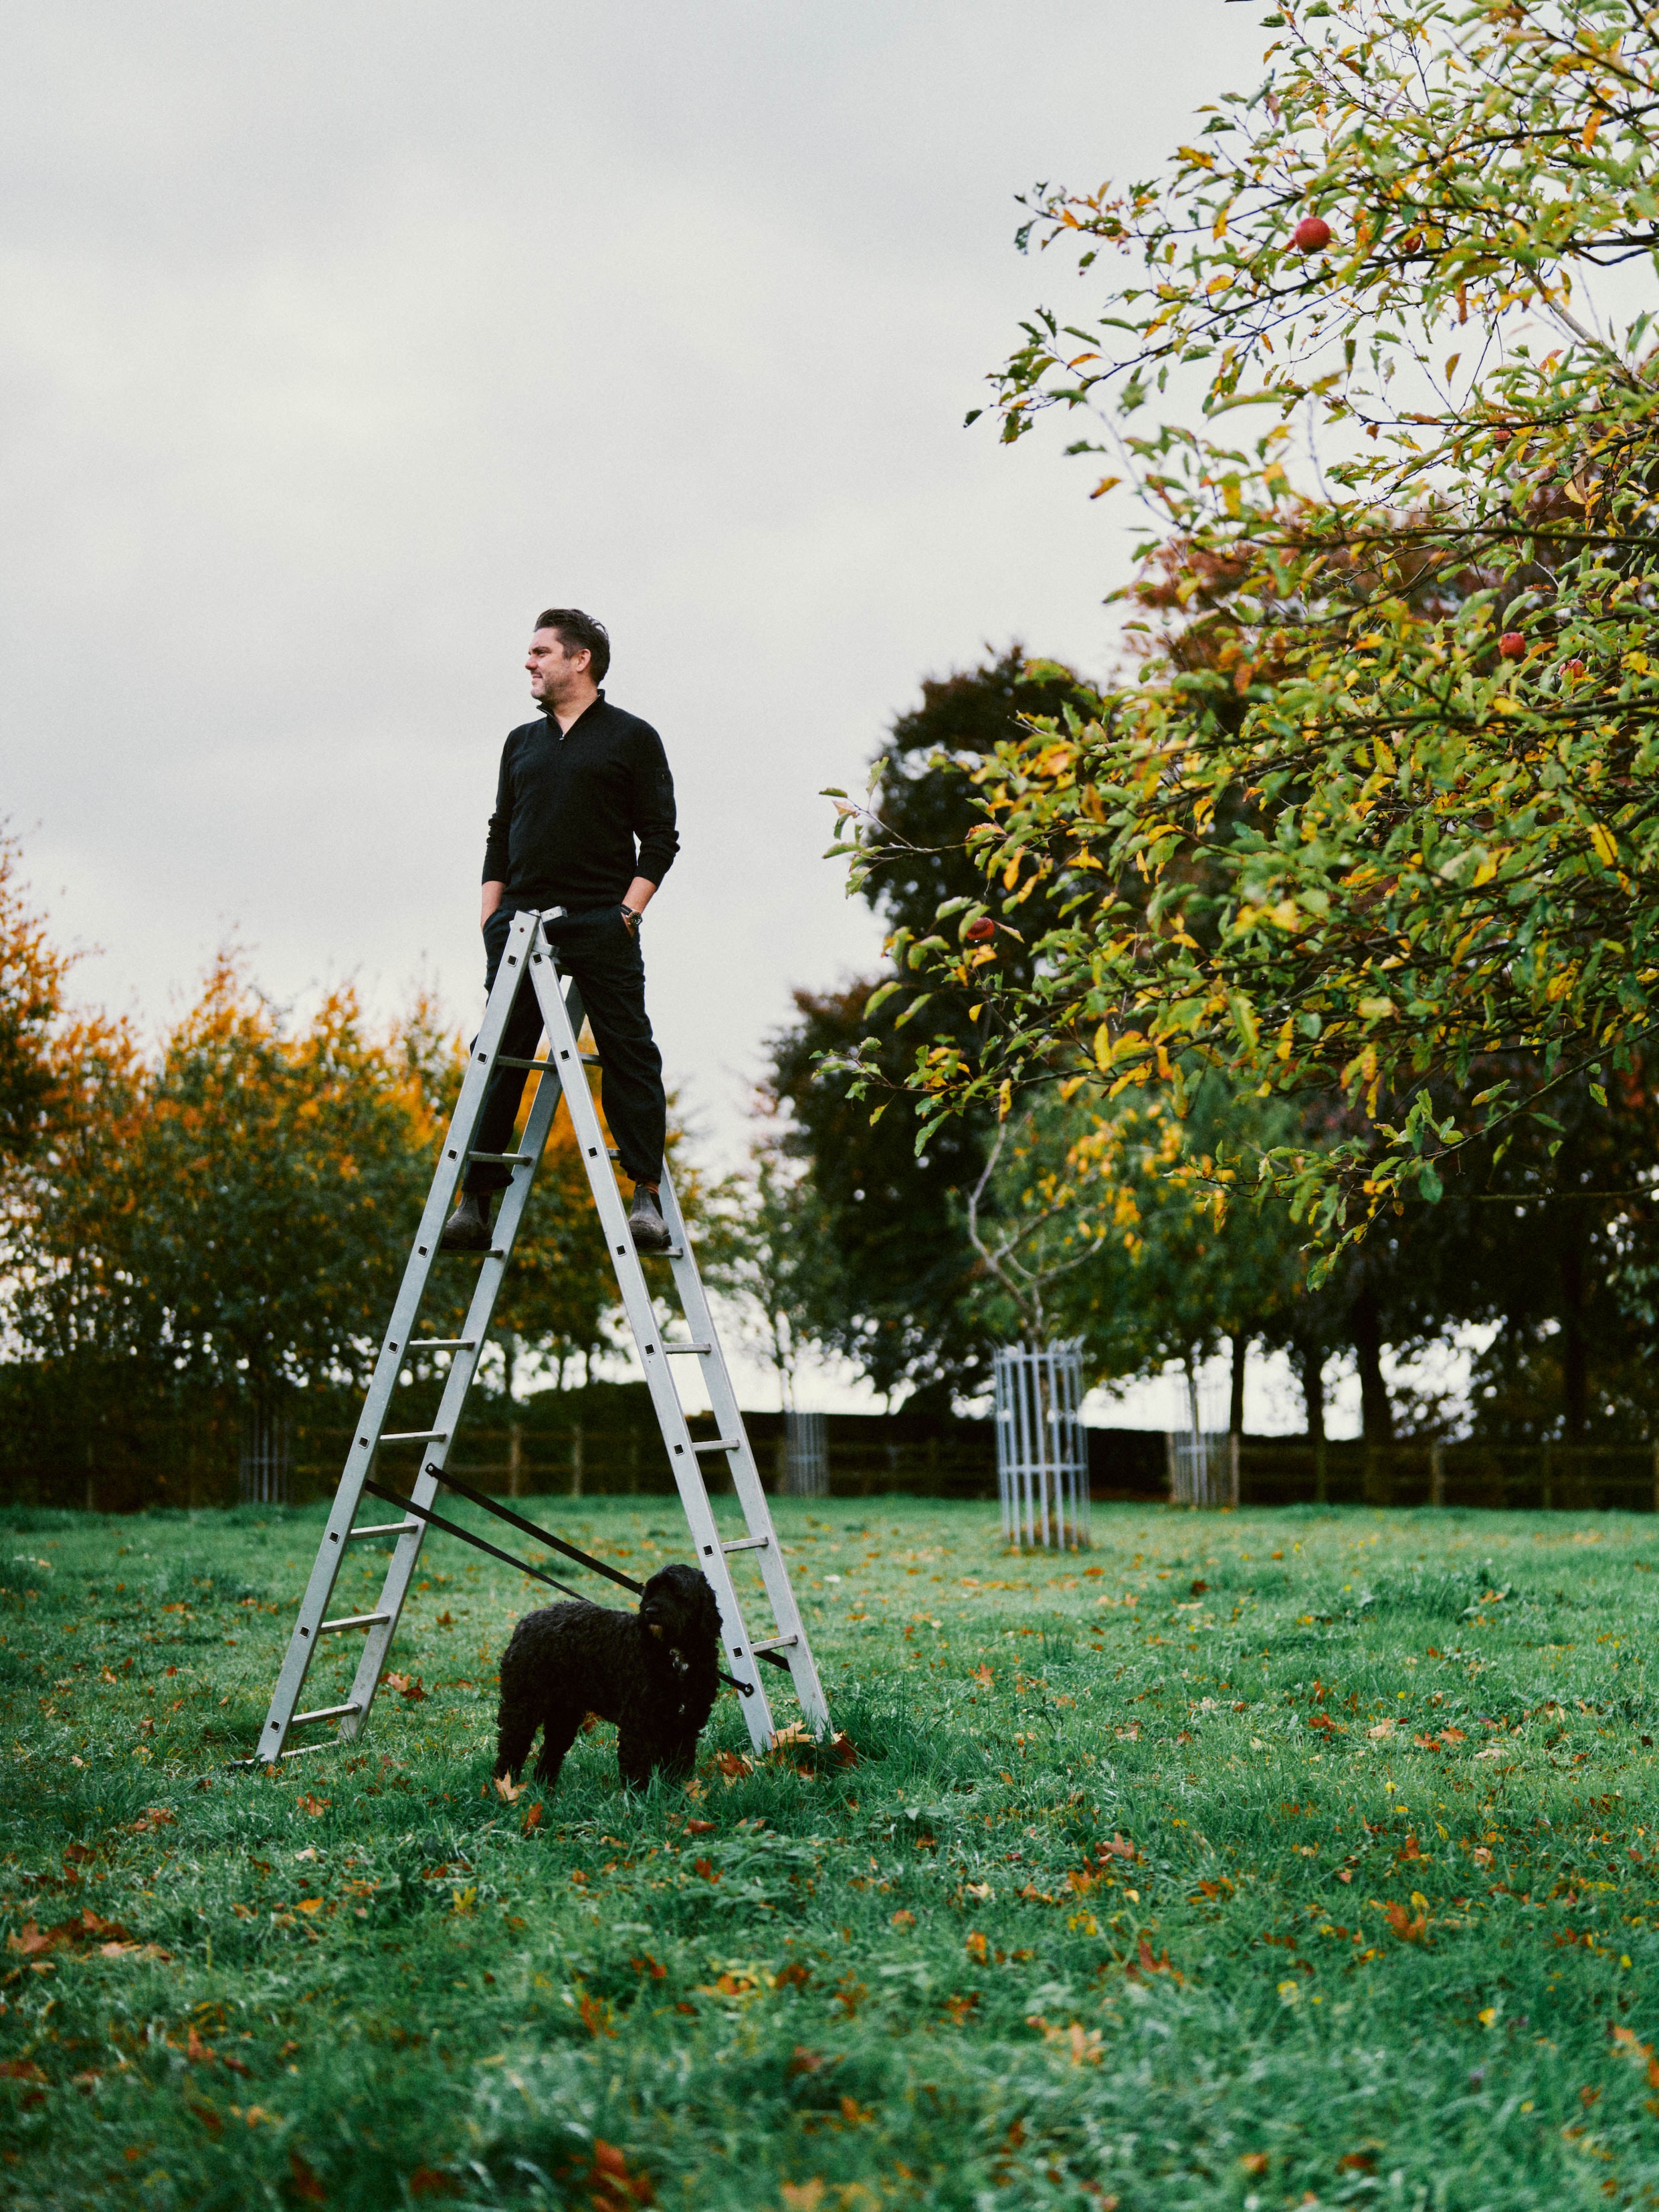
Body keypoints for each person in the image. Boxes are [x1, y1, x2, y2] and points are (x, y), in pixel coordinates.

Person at [439, 607, 678, 1256]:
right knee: (497, 1051)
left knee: (629, 1048)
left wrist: (627, 913)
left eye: (541, 651)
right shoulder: (522, 741)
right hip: (519, 922)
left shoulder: (632, 738)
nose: (529, 662)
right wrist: (491, 915)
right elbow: (498, 831)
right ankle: (473, 1201)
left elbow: (660, 838)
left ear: (581, 660)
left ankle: (646, 1196)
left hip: (601, 917)